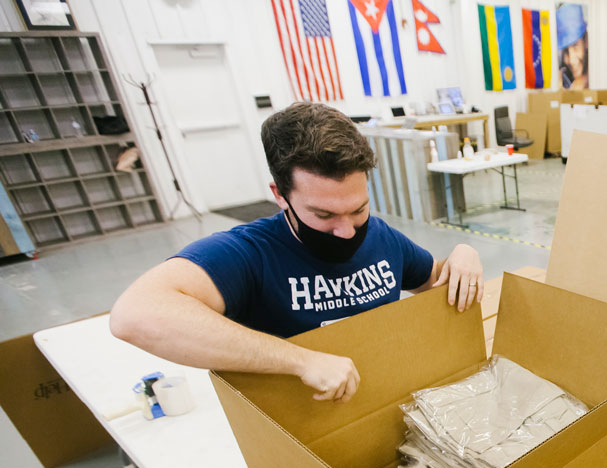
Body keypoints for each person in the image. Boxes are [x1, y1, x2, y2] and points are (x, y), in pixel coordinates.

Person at [109, 102, 484, 404]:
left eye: (358, 209)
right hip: (306, 417)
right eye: (323, 214)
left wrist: (462, 254)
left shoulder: (384, 239)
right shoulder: (250, 253)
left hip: (385, 400)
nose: (346, 230)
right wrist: (300, 360)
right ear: (280, 194)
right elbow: (135, 315)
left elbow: (435, 281)